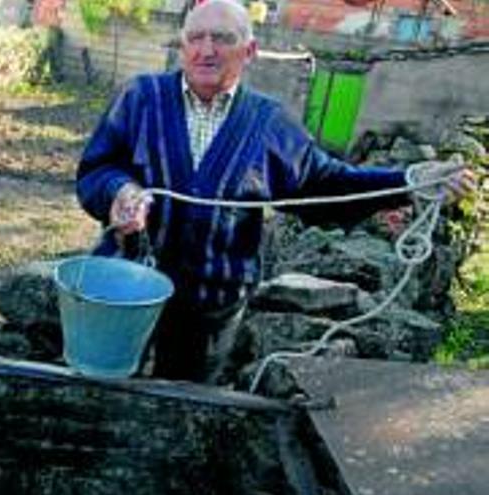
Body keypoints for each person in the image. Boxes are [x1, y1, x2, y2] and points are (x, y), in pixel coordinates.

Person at [76, 0, 474, 384]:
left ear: (249, 51)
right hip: (122, 289)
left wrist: (411, 181)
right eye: (195, 38)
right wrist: (119, 190)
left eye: (222, 38)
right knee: (101, 391)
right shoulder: (140, 98)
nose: (206, 50)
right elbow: (96, 170)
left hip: (212, 305)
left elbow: (327, 185)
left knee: (185, 414)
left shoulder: (268, 122)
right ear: (182, 46)